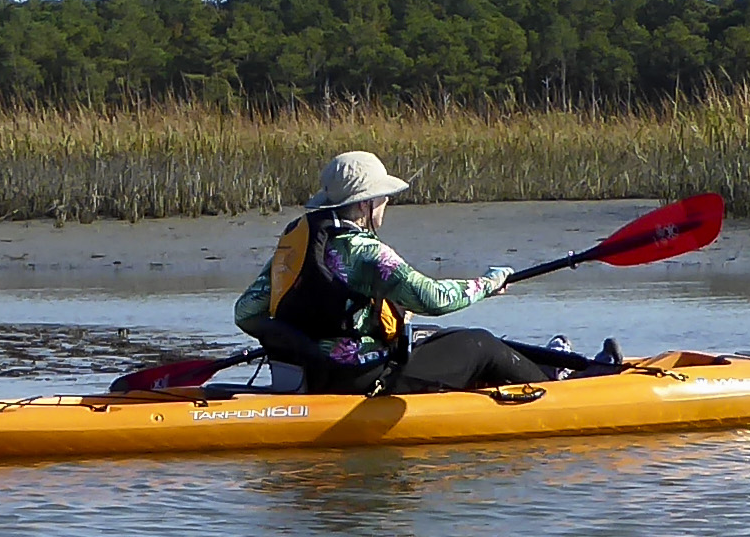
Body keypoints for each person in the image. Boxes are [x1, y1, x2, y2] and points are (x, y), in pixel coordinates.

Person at [235, 151, 558, 394]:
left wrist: (297, 342)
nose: (386, 202)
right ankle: (558, 391)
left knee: (433, 336)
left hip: (309, 374)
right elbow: (433, 299)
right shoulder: (367, 252)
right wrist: (489, 283)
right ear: (365, 204)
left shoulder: (299, 241)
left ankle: (549, 365)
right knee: (479, 344)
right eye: (383, 197)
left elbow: (246, 312)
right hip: (360, 377)